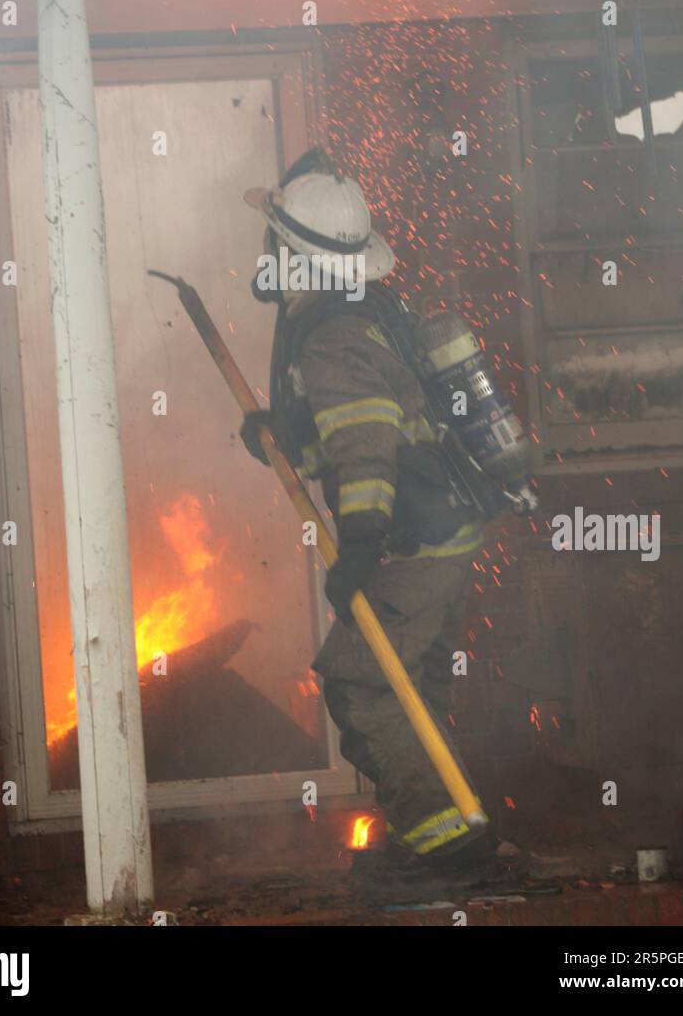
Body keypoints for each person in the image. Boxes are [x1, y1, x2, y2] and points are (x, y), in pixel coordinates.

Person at [241, 149, 508, 891]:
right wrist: (280, 434)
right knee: (411, 685)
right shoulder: (366, 315)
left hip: (410, 544)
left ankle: (443, 845)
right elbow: (348, 423)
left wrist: (358, 543)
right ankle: (452, 824)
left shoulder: (330, 334)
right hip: (445, 530)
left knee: (360, 683)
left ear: (292, 252)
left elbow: (364, 441)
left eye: (274, 242)